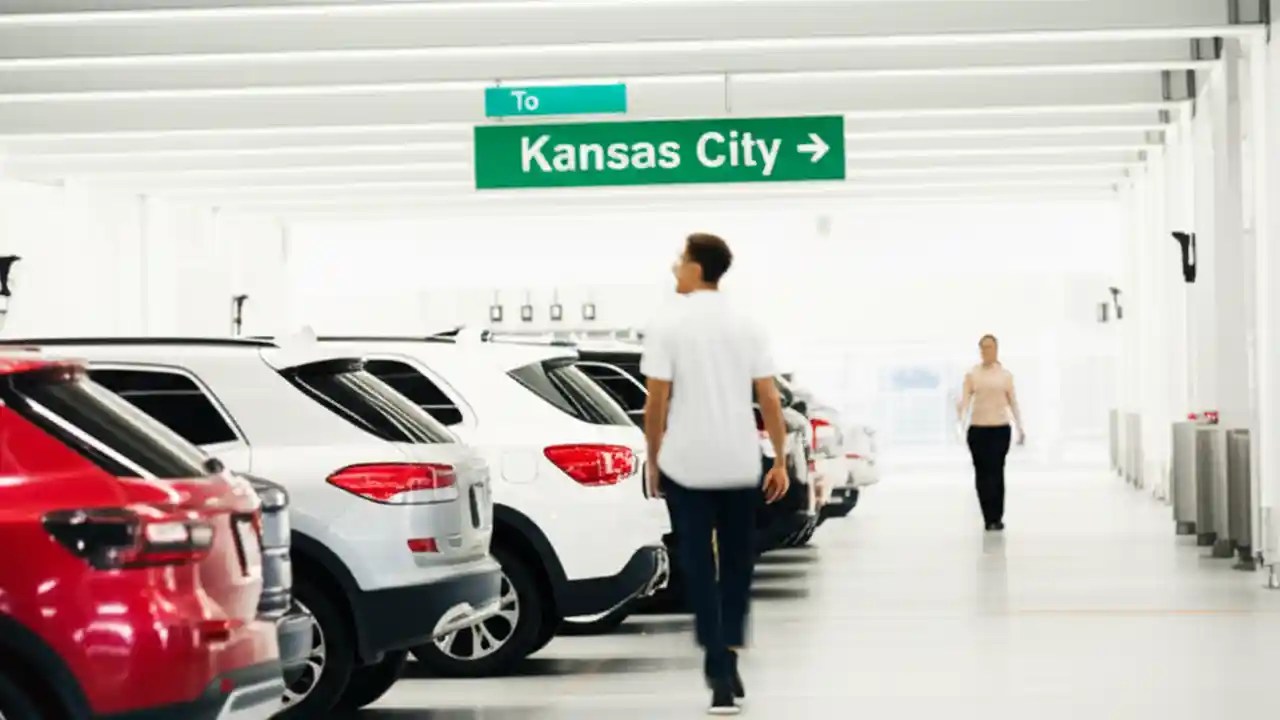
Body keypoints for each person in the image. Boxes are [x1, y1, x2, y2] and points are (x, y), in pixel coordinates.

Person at [641, 233, 789, 716]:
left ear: (697, 268)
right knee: (739, 565)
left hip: (687, 462)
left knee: (699, 566)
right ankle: (728, 650)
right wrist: (781, 458)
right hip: (738, 462)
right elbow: (769, 396)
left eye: (680, 260)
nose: (673, 267)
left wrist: (654, 456)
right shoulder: (746, 324)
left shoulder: (669, 325)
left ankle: (717, 664)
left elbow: (657, 401)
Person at [956, 334, 1026, 532]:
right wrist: (960, 418)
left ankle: (997, 516)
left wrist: (1020, 427)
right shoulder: (972, 375)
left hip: (1000, 428)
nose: (987, 351)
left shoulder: (1005, 375)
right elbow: (965, 401)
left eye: (991, 347)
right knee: (982, 474)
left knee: (997, 472)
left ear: (996, 349)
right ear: (980, 350)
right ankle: (988, 516)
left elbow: (1012, 402)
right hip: (978, 429)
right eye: (984, 347)